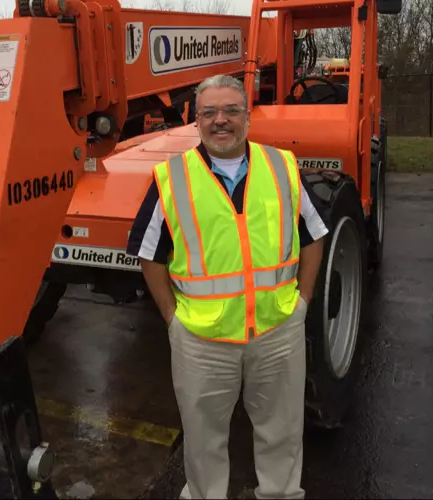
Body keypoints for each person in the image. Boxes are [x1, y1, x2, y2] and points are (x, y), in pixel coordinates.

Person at [126, 75, 329, 499]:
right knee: (203, 442)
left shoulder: (282, 167)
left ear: (247, 118)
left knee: (283, 433)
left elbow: (314, 236)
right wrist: (172, 318)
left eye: (231, 111)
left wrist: (303, 303)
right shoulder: (171, 178)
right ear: (195, 120)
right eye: (209, 112)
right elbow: (149, 255)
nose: (221, 121)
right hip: (202, 340)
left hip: (277, 332)